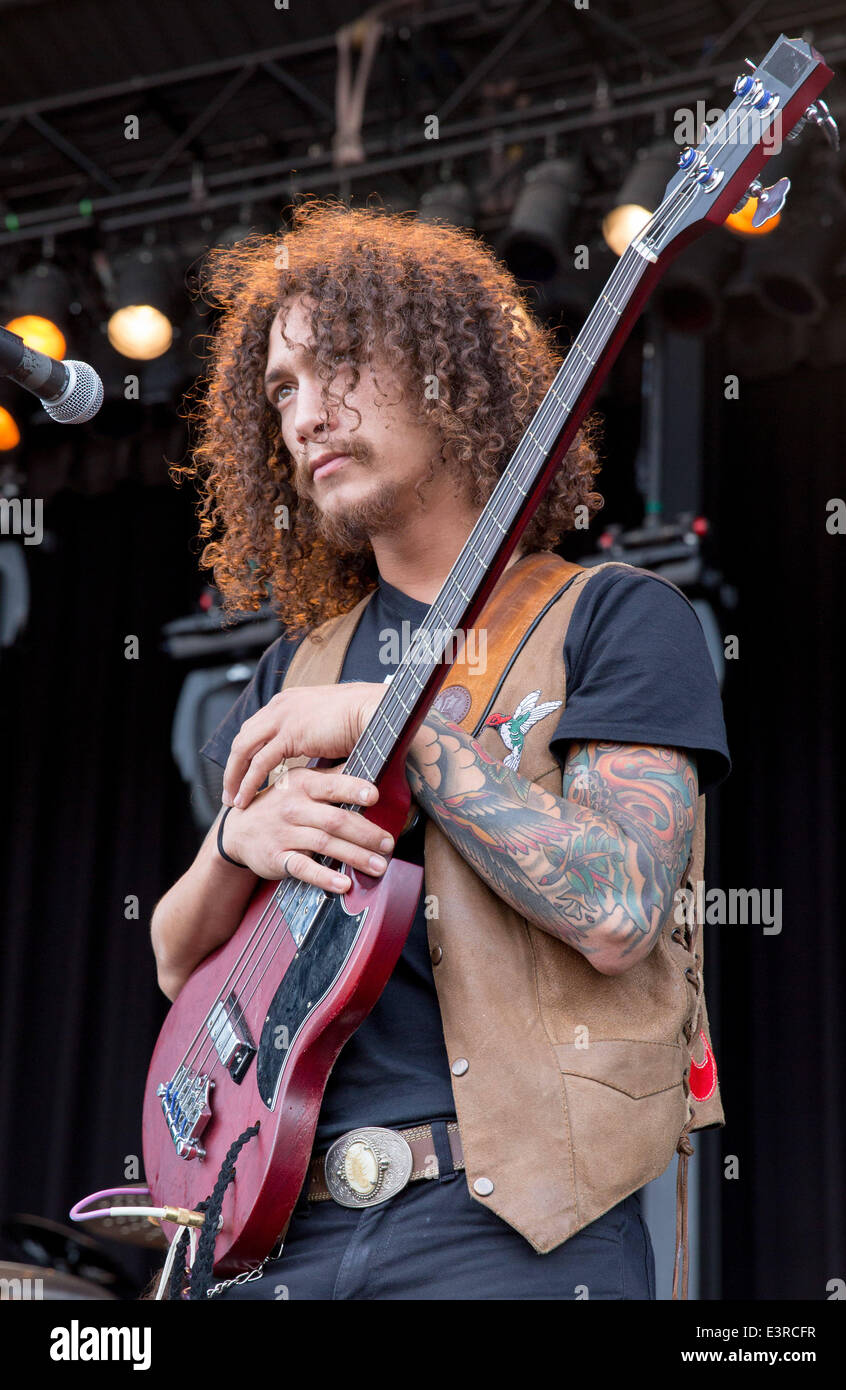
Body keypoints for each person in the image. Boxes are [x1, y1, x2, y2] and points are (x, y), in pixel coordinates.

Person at [151, 201, 730, 1300]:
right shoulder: (294, 673)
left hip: (506, 1236)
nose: (306, 414)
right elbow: (180, 965)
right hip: (281, 1233)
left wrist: (408, 741)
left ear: (447, 379)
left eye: (339, 368)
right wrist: (235, 840)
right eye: (280, 390)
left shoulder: (614, 618)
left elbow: (616, 908)